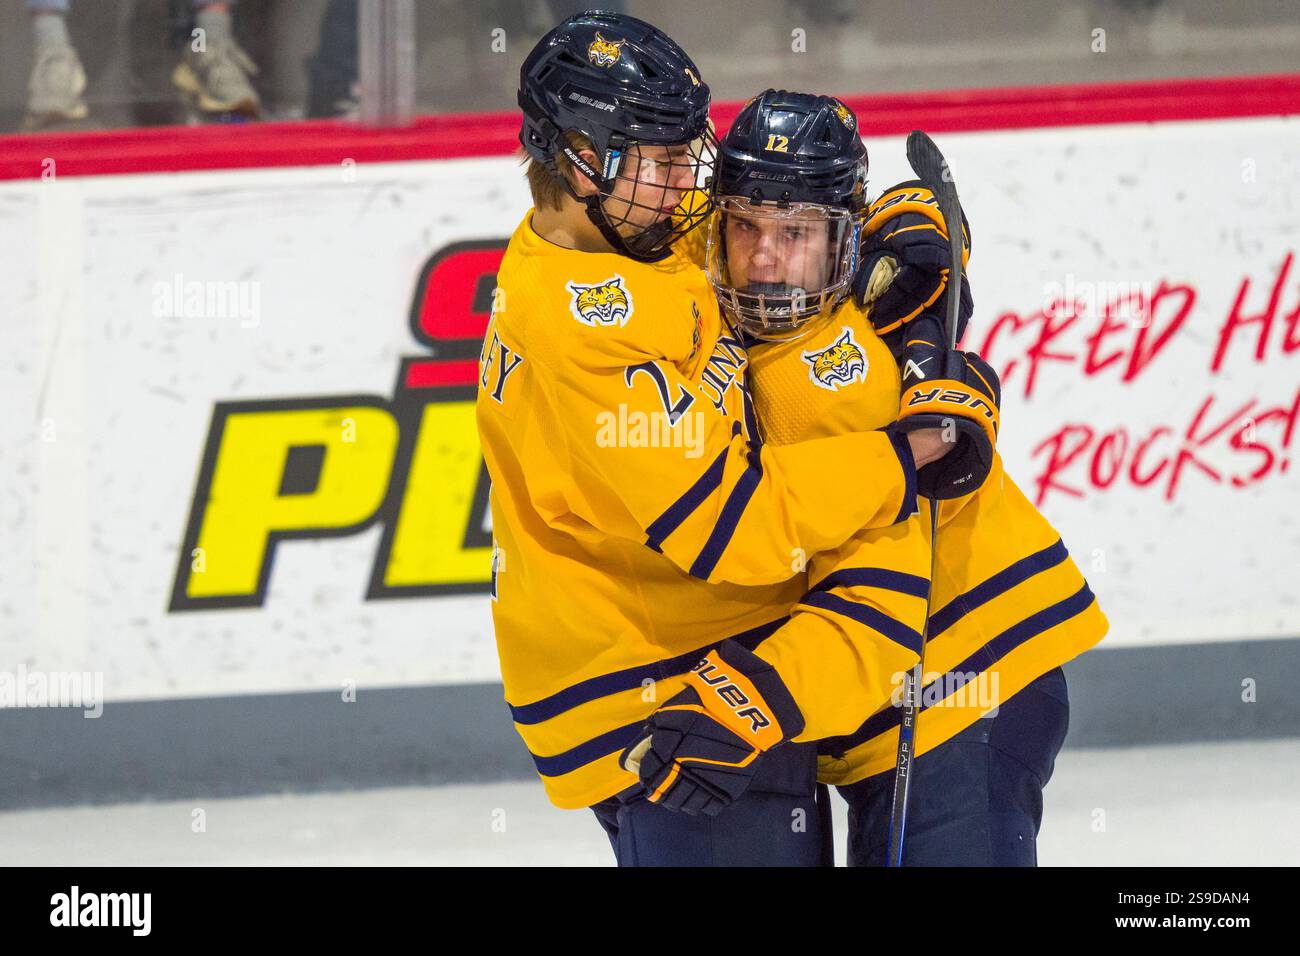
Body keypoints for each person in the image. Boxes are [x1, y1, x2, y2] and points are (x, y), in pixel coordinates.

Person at [476, 12, 952, 866]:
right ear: (584, 160)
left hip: (713, 673)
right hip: (664, 696)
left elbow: (791, 219)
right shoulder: (584, 326)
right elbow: (737, 527)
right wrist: (904, 451)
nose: (686, 181)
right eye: (660, 160)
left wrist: (903, 224)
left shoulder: (627, 238)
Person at [705, 89, 1110, 865]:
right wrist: (923, 289)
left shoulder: (836, 372)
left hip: (963, 681)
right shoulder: (821, 309)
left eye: (796, 233)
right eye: (746, 225)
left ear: (842, 243)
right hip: (885, 703)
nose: (763, 256)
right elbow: (916, 217)